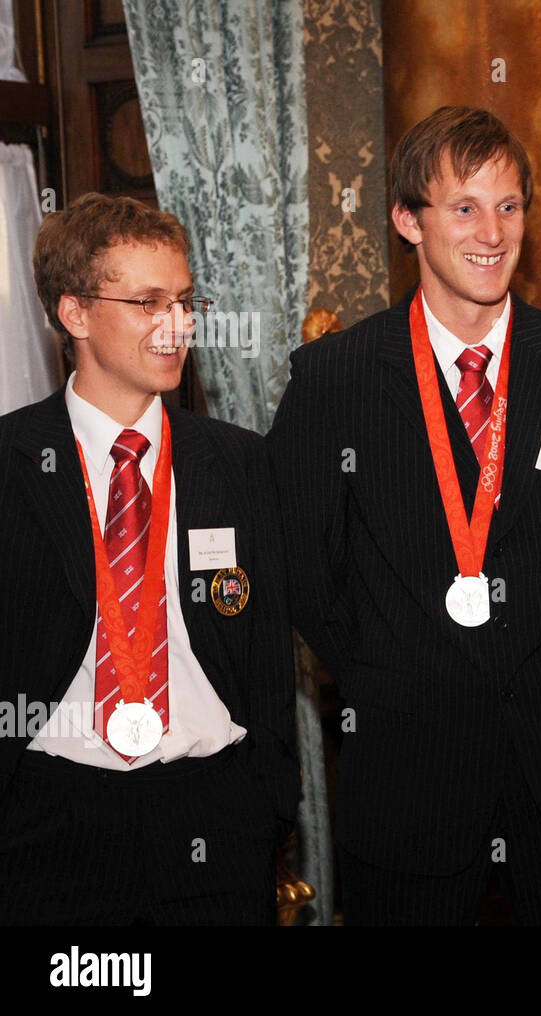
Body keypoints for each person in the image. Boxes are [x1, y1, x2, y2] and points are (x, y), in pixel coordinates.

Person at [268, 106, 541, 925]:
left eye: (509, 206)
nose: (492, 231)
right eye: (465, 207)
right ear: (409, 220)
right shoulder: (333, 381)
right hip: (411, 779)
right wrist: (396, 677)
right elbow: (307, 571)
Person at [0, 193, 298, 924]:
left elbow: (269, 660)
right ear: (74, 313)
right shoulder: (9, 464)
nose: (178, 326)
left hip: (216, 817)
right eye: (147, 303)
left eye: (186, 302)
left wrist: (267, 805)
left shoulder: (239, 464)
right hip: (53, 825)